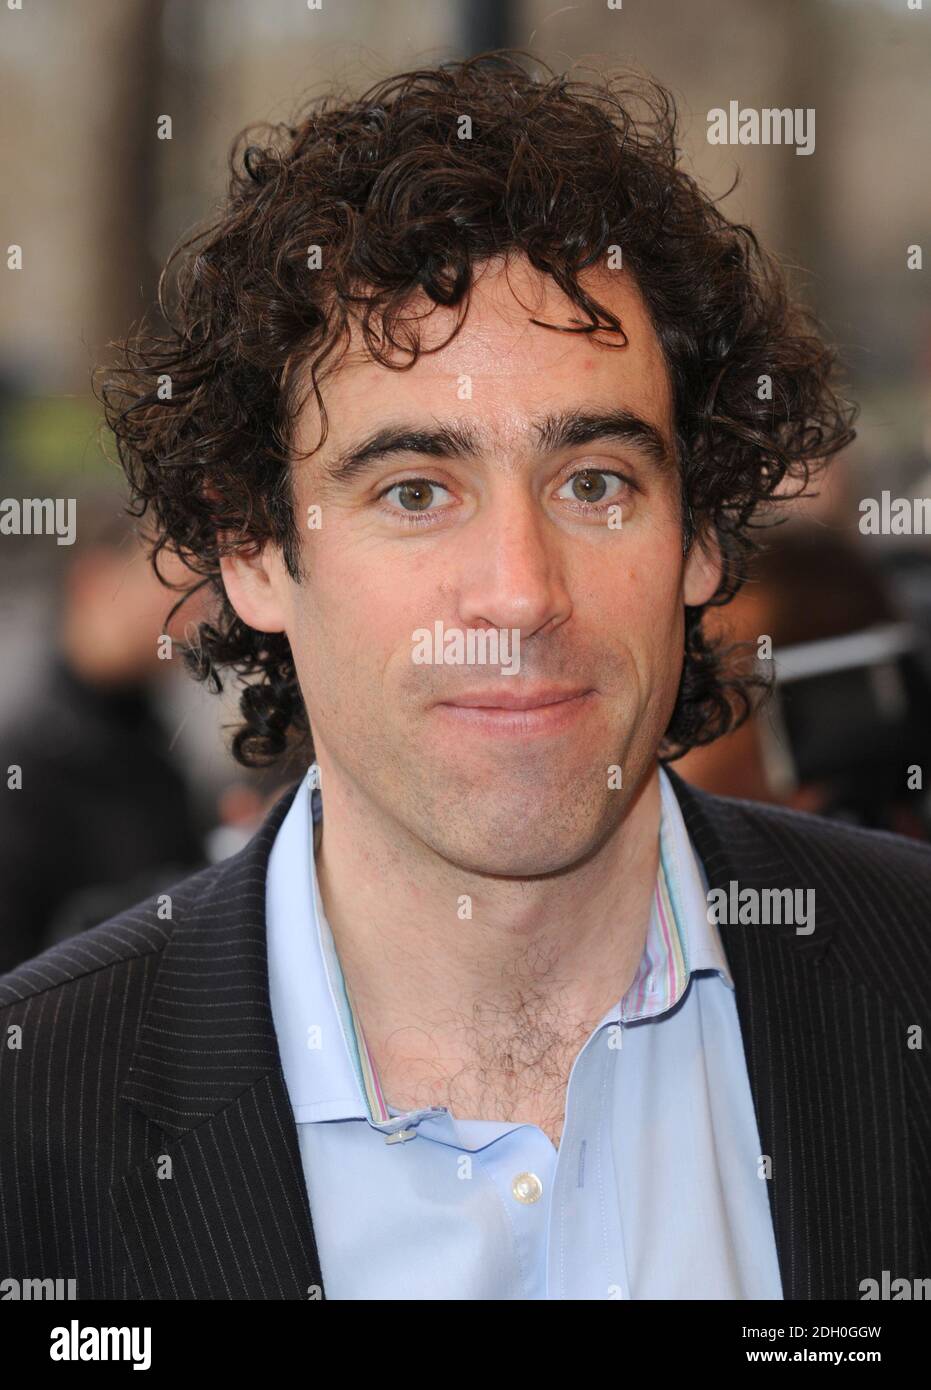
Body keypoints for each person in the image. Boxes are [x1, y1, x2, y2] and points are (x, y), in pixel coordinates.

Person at [1, 51, 928, 1302]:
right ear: (253, 551)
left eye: (594, 483)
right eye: (415, 491)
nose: (518, 589)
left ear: (700, 536)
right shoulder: (30, 1122)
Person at [0, 492, 206, 973]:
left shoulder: (153, 741)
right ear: (94, 581)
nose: (197, 615)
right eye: (176, 587)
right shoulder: (25, 761)